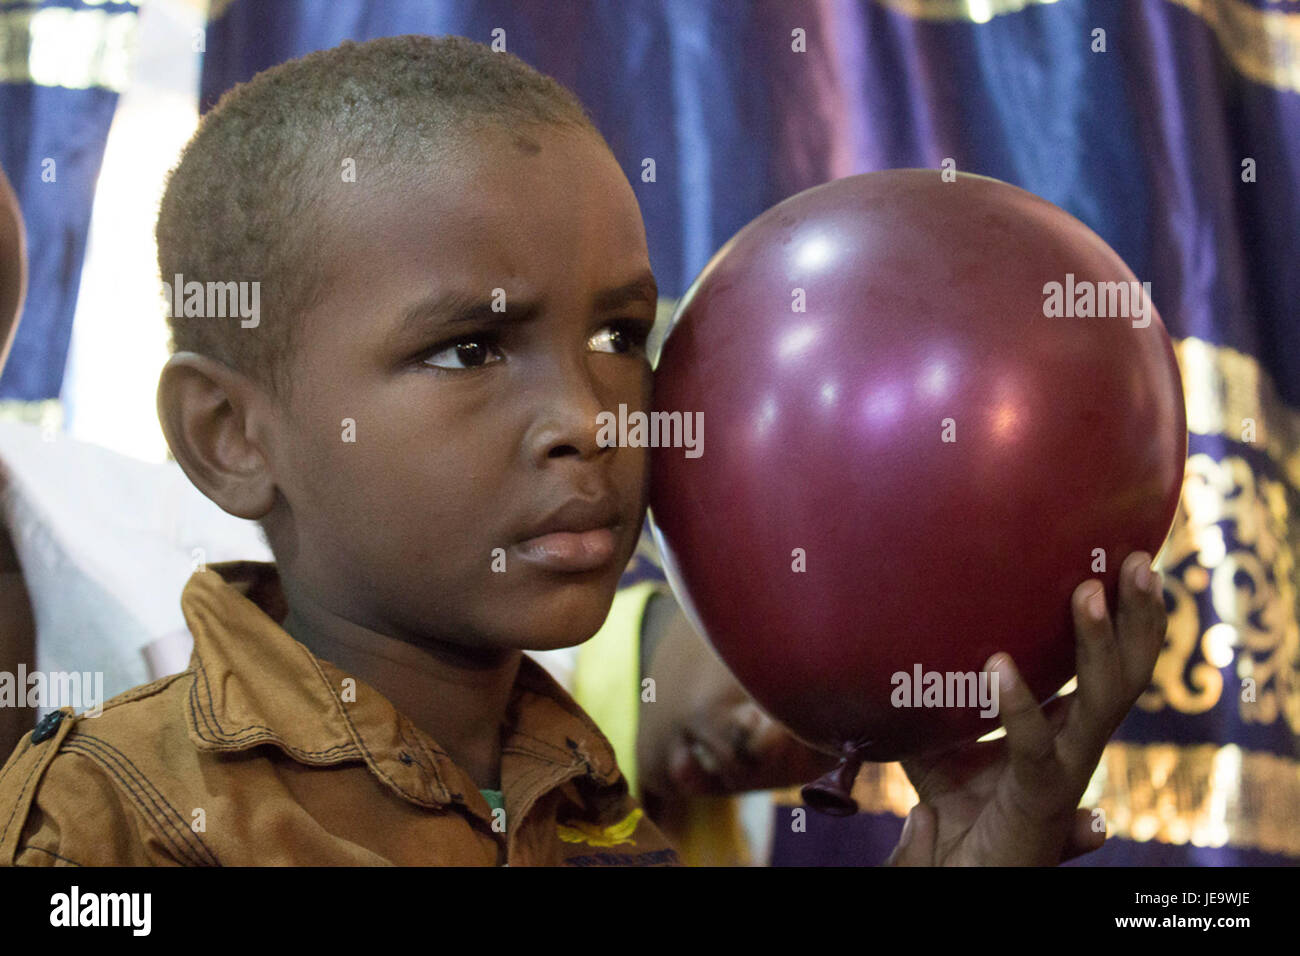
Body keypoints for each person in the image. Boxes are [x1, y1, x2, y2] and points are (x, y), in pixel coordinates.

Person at [0, 35, 1167, 867]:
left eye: (619, 334)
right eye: (469, 349)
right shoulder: (113, 822)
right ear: (231, 435)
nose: (596, 415)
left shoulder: (590, 809)